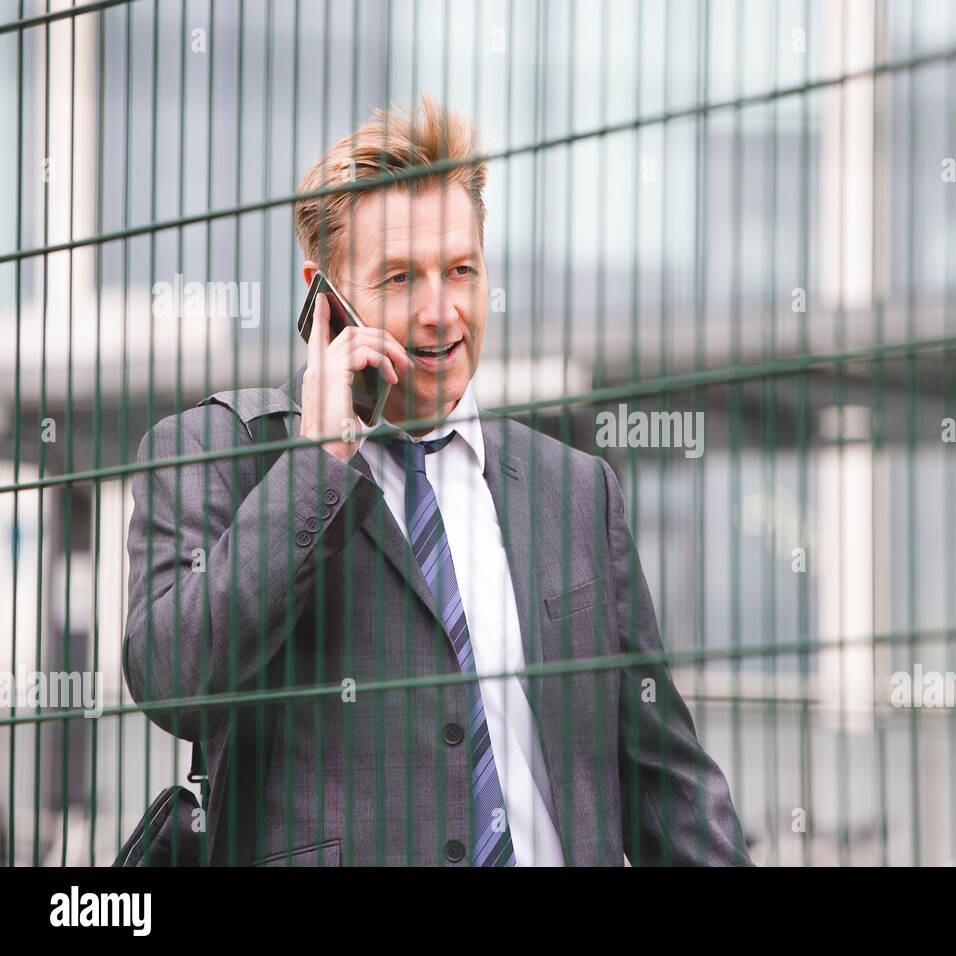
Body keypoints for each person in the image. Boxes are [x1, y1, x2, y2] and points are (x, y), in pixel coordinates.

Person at [122, 95, 751, 866]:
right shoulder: (216, 451)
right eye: (398, 278)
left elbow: (668, 781)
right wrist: (320, 458)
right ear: (324, 295)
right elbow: (173, 680)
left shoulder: (576, 490)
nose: (439, 311)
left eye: (460, 270)